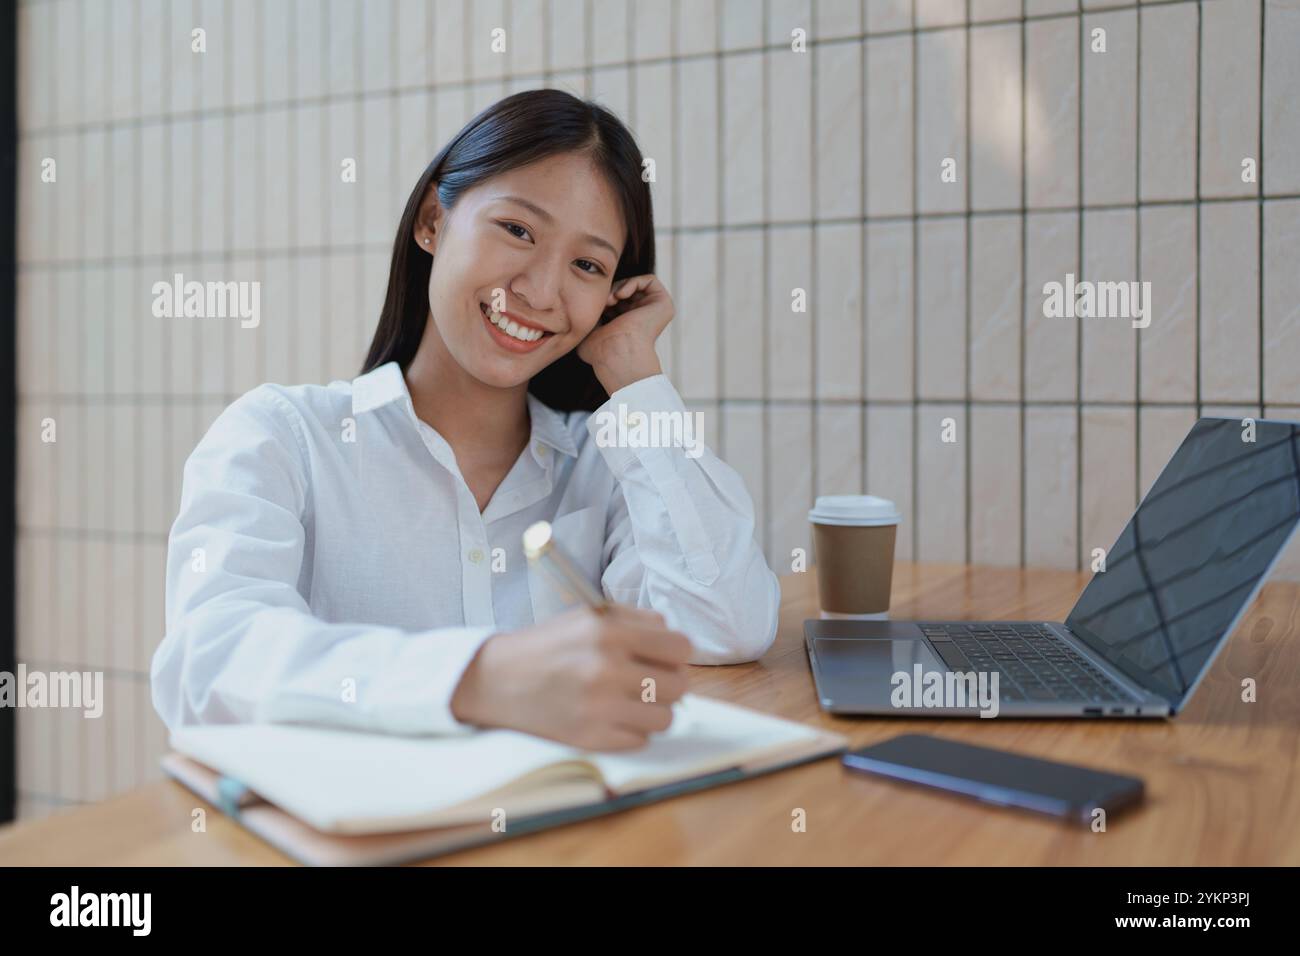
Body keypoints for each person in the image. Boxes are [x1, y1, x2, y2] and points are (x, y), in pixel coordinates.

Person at [151, 89, 780, 751]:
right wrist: (479, 678)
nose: (540, 292)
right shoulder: (283, 436)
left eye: (587, 266)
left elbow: (725, 628)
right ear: (432, 219)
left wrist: (635, 373)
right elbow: (209, 662)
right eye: (517, 230)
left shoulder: (605, 466)